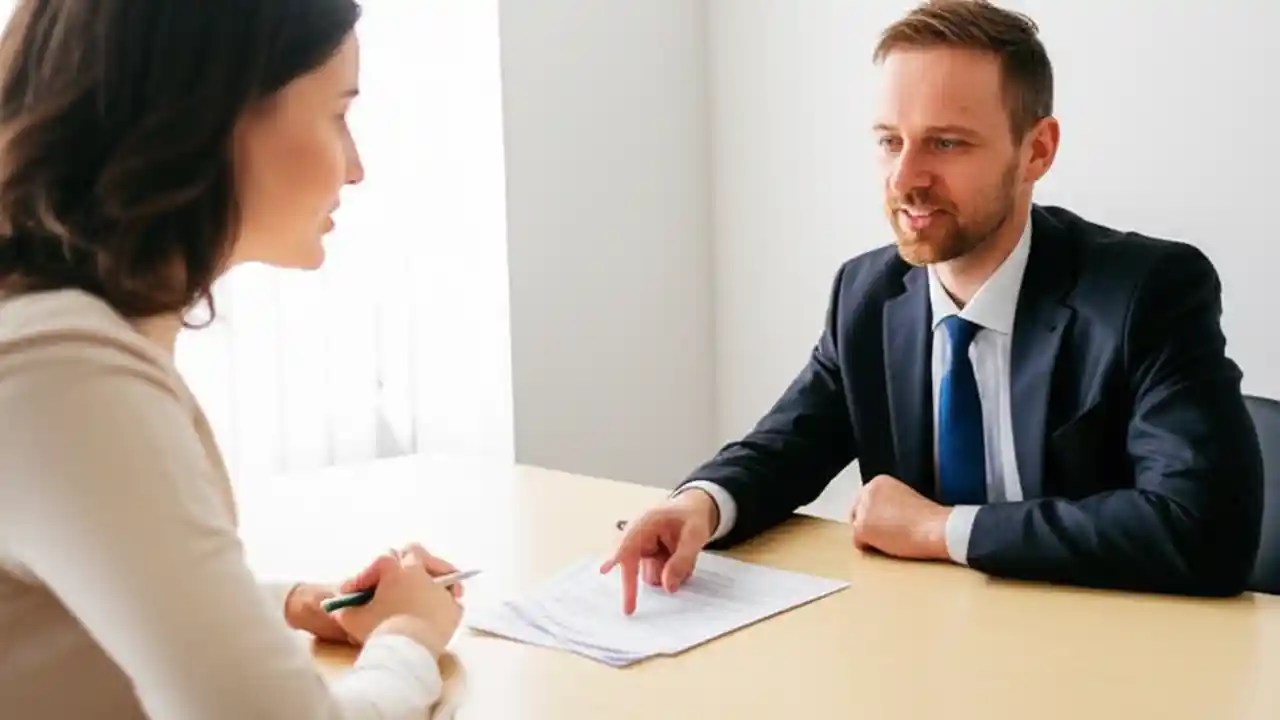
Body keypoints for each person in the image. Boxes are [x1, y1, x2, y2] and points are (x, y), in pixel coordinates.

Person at [603, 0, 1263, 612]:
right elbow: (784, 448)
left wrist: (937, 529)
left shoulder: (1147, 292)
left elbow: (1204, 532)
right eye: (890, 140)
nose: (905, 178)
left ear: (1037, 150)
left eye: (946, 143)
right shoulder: (869, 295)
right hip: (929, 646)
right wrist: (698, 505)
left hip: (1108, 654)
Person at [0, 1, 465, 717]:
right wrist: (407, 640)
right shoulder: (64, 373)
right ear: (213, 117)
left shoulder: (52, 342)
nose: (357, 167)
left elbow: (83, 597)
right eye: (338, 114)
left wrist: (292, 604)